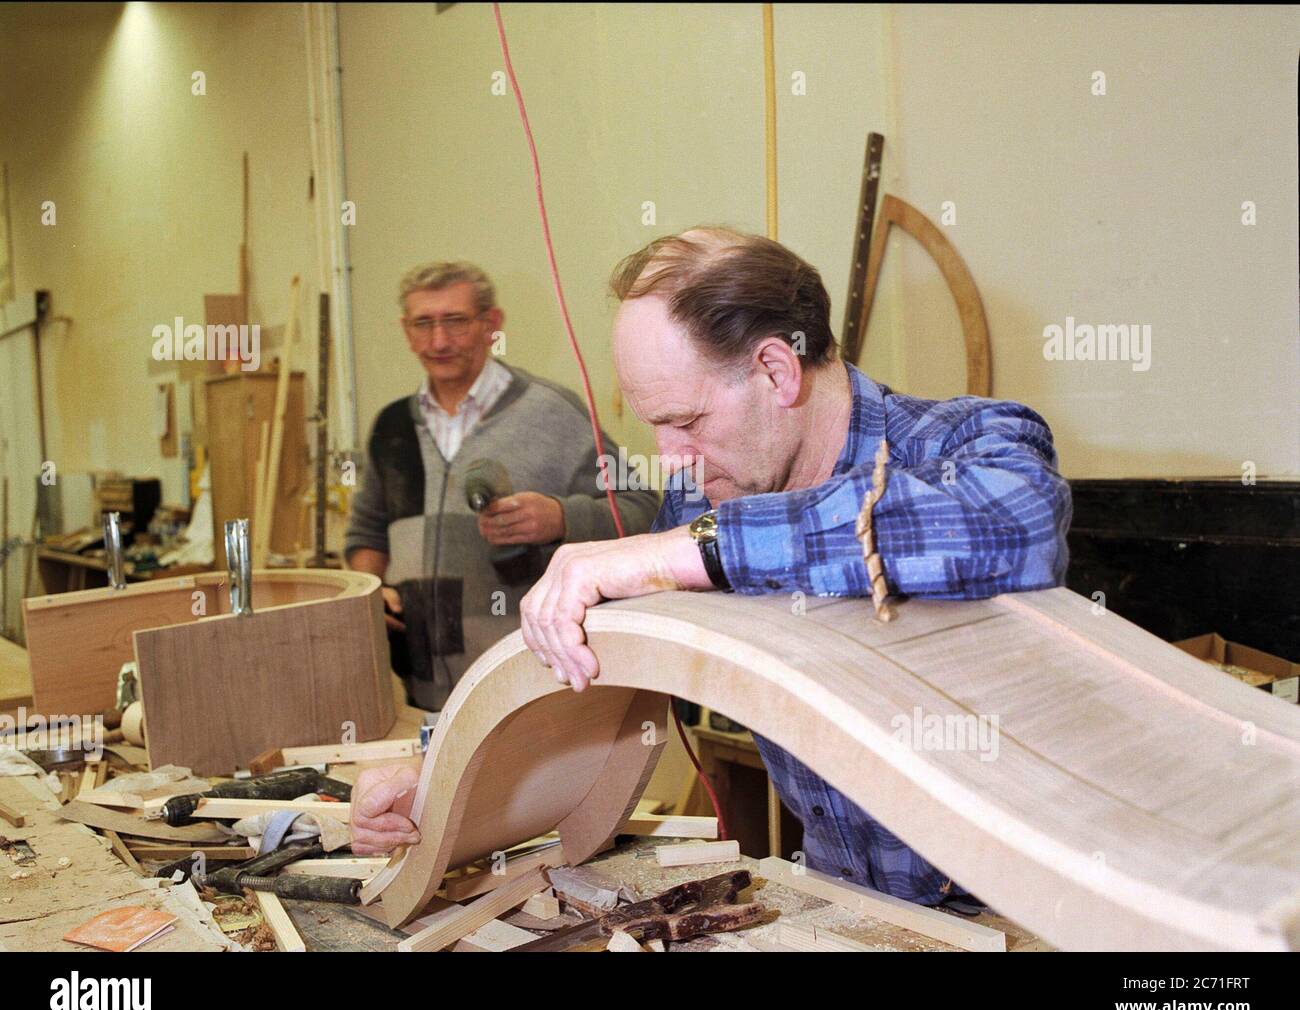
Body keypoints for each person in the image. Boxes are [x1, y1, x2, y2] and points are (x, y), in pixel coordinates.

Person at [352, 230, 1070, 906]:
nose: (670, 459)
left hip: (1021, 912)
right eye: (655, 426)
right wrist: (436, 771)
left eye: (687, 423)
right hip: (849, 901)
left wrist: (691, 550)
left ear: (776, 368)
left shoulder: (966, 441)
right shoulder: (703, 495)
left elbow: (1016, 522)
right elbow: (587, 679)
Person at [344, 261, 658, 712]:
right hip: (418, 687)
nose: (438, 341)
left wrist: (560, 517)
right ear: (406, 330)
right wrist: (371, 591)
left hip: (529, 680)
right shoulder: (392, 426)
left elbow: (644, 510)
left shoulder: (554, 414)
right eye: (423, 324)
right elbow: (368, 533)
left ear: (492, 324)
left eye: (455, 321)